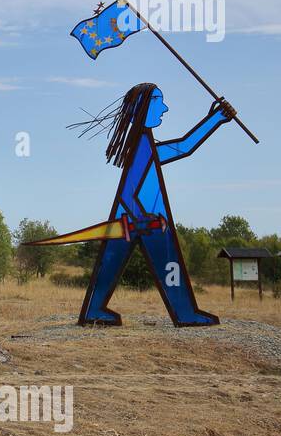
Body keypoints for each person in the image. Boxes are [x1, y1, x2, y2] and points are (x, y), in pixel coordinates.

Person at [75, 83, 236, 326]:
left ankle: (94, 310)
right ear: (141, 107)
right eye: (158, 101)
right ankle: (184, 314)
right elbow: (131, 191)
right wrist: (143, 218)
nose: (165, 108)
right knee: (167, 264)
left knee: (112, 265)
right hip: (144, 220)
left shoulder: (144, 143)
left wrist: (215, 119)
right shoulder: (141, 145)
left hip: (134, 219)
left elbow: (183, 147)